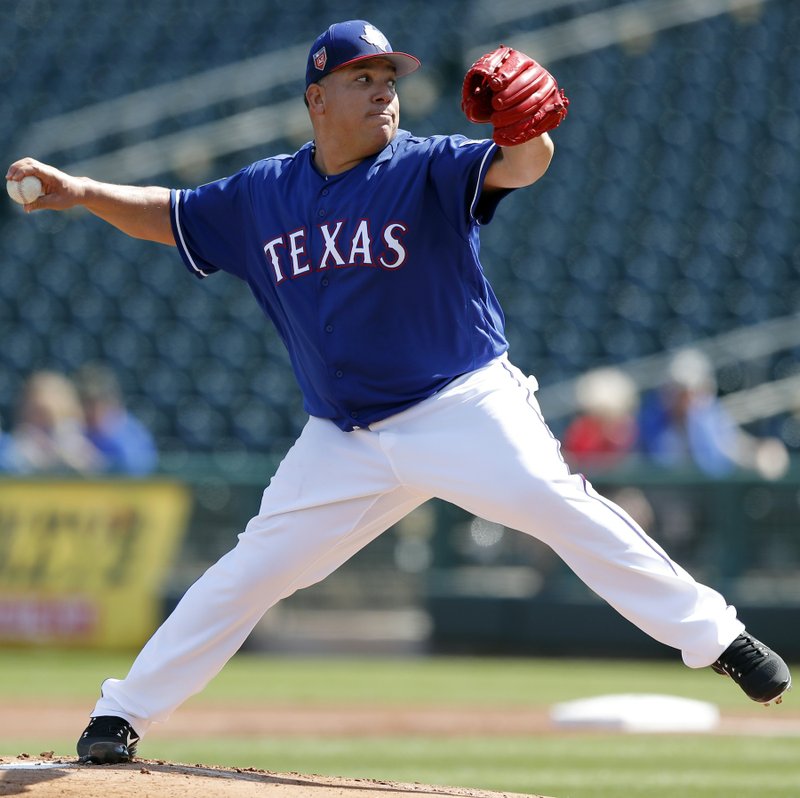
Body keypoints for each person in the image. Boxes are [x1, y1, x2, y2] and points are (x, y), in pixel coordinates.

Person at [6, 20, 790, 766]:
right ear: (317, 98)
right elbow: (171, 213)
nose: (385, 91)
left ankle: (721, 640)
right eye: (363, 79)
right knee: (251, 571)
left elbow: (520, 165)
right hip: (342, 437)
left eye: (389, 78)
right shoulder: (262, 195)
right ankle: (122, 714)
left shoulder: (427, 165)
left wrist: (527, 130)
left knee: (558, 504)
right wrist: (81, 190)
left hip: (463, 405)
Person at [639, 348, 789, 480]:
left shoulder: (710, 417)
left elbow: (727, 453)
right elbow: (659, 464)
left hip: (707, 496)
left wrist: (759, 452)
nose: (685, 397)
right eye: (679, 391)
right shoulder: (655, 419)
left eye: (690, 392)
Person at [2, 370, 102, 475]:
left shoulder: (75, 440)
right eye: (36, 412)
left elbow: (98, 470)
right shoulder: (18, 442)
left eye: (47, 414)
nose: (42, 421)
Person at [73, 362, 158, 476]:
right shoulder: (77, 428)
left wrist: (98, 463)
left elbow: (137, 471)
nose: (89, 412)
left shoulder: (130, 433)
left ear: (111, 402)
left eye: (94, 404)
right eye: (85, 404)